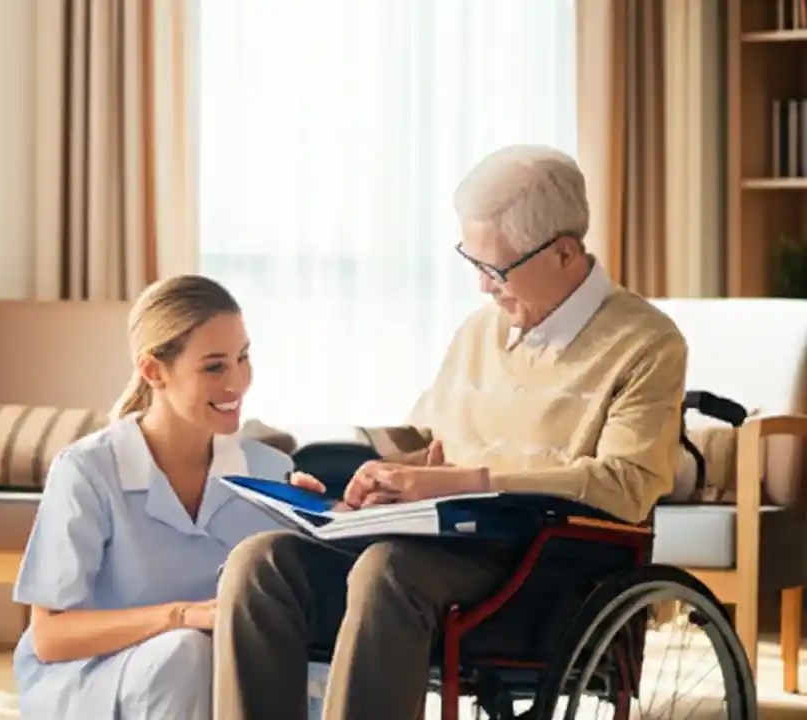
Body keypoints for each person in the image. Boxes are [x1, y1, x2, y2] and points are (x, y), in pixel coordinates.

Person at [213, 145, 689, 720]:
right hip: (432, 542)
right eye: (474, 263)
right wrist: (328, 454)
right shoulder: (479, 332)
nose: (484, 287)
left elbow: (626, 483)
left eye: (497, 269)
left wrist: (461, 480)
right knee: (260, 562)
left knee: (386, 569)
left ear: (565, 252)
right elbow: (420, 436)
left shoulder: (646, 343)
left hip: (542, 565)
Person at [11, 274, 300, 720]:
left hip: (224, 686)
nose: (238, 382)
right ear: (153, 371)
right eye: (214, 366)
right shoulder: (89, 471)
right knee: (184, 655)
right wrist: (179, 616)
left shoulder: (269, 472)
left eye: (243, 358)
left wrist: (323, 524)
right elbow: (49, 637)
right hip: (94, 679)